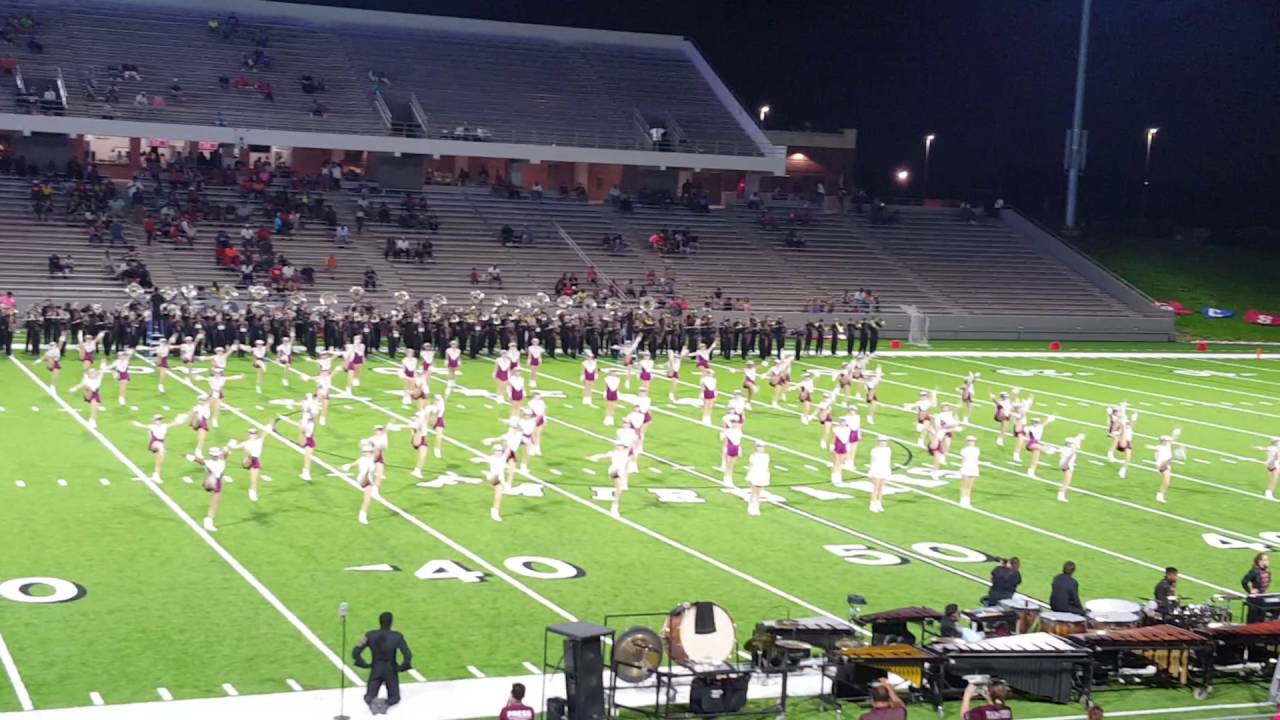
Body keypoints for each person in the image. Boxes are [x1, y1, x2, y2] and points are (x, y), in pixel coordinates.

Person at [352, 611, 413, 712]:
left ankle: (374, 703)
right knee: (395, 697)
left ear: (379, 622)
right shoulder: (397, 636)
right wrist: (401, 668)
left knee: (369, 696)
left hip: (376, 668)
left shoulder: (370, 635)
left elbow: (356, 652)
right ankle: (385, 704)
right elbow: (408, 655)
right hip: (391, 669)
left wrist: (364, 664)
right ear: (391, 622)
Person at [1242, 553, 1272, 623]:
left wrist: (1265, 592)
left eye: (1268, 560)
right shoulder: (1254, 571)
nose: (1267, 562)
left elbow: (1267, 583)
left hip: (1263, 599)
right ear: (1260, 561)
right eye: (1265, 560)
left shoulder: (1268, 572)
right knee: (1253, 621)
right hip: (1254, 600)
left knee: (1261, 620)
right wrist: (1250, 591)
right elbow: (1244, 581)